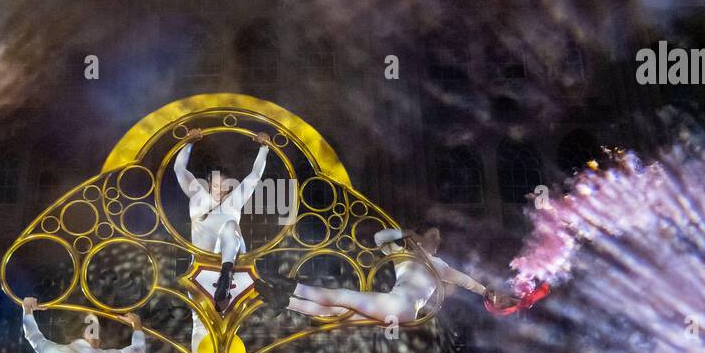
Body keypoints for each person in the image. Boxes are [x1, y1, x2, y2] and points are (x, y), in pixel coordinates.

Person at [254, 226, 516, 323]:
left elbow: (468, 283)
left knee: (343, 297)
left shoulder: (440, 267)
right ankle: (285, 301)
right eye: (428, 236)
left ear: (436, 247)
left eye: (435, 240)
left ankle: (288, 286)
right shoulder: (402, 256)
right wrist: (404, 233)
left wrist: (488, 294)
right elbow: (380, 238)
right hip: (393, 308)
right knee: (336, 313)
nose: (431, 241)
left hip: (403, 308)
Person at [174, 128, 272, 312]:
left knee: (229, 226)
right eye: (216, 185)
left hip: (232, 267)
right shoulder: (198, 196)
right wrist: (189, 142)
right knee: (201, 325)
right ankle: (224, 278)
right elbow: (179, 169)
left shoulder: (233, 201)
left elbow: (255, 175)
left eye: (224, 186)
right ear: (209, 183)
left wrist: (264, 147)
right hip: (202, 265)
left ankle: (226, 274)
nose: (220, 189)